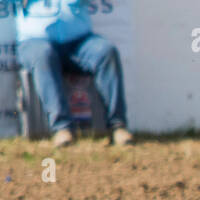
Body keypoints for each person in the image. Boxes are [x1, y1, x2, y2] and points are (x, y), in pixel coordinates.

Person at [15, 0, 132, 147]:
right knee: (43, 55)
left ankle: (118, 126)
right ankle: (62, 128)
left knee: (106, 52)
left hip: (80, 41)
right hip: (35, 41)